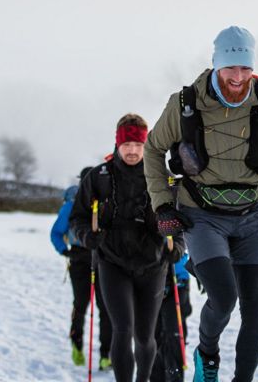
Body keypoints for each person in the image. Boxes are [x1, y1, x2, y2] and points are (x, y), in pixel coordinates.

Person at [144, 26, 258, 382]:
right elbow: (153, 150)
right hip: (202, 215)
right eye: (231, 68)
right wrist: (163, 205)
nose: (239, 77)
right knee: (225, 299)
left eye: (245, 68)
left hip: (252, 218)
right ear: (216, 64)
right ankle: (207, 354)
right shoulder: (185, 102)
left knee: (255, 310)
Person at [70, 114, 184, 382]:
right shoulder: (99, 177)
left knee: (144, 336)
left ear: (146, 145)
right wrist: (87, 236)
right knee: (122, 329)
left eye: (138, 145)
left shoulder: (163, 178)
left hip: (153, 265)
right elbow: (77, 218)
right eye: (126, 145)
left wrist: (178, 245)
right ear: (117, 144)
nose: (132, 151)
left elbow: (181, 219)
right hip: (113, 263)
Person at [50, 167, 113, 370]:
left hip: (102, 259)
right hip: (80, 259)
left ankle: (105, 354)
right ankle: (79, 345)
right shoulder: (73, 204)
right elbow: (56, 233)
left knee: (104, 307)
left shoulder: (106, 201)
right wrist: (65, 251)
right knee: (83, 304)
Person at [150, 252, 192, 382]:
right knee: (153, 335)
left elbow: (181, 244)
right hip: (151, 280)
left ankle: (175, 377)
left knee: (173, 335)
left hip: (176, 281)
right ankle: (156, 378)